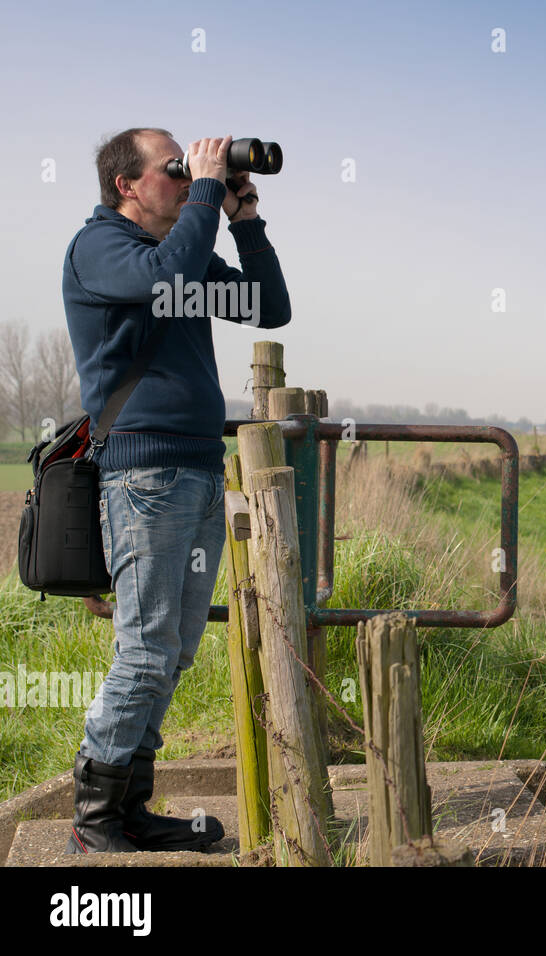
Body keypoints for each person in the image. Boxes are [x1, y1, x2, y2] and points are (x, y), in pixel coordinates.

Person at [61, 129, 291, 853]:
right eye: (175, 168)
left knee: (174, 651)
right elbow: (164, 275)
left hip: (195, 470)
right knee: (146, 650)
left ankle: (129, 809)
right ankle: (92, 821)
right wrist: (204, 194)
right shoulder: (100, 249)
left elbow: (268, 306)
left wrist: (244, 218)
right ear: (127, 185)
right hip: (144, 476)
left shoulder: (181, 254)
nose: (193, 177)